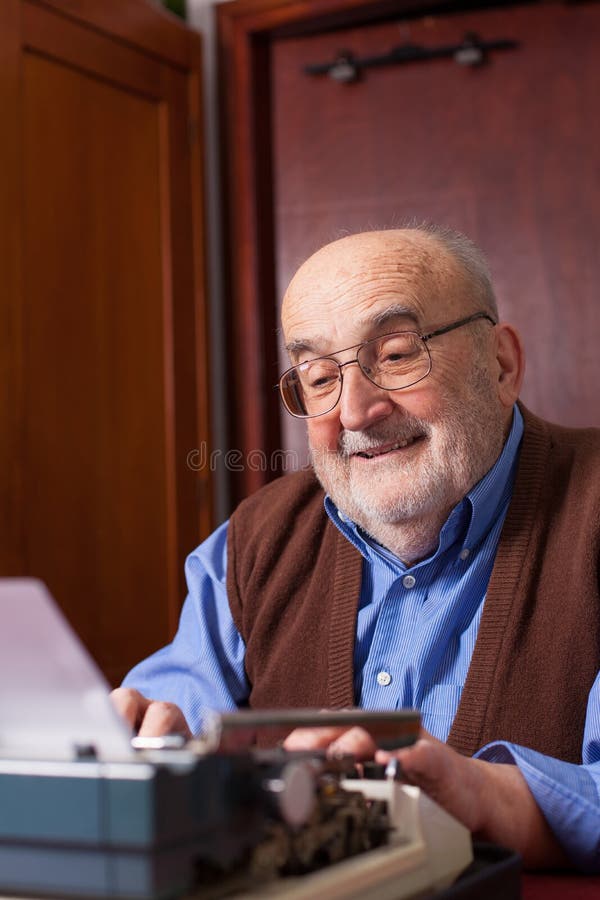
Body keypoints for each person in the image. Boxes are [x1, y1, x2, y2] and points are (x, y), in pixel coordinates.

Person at [112, 225, 600, 871]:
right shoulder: (253, 545)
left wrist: (485, 797)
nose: (354, 411)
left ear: (501, 364)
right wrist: (135, 746)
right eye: (317, 378)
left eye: (396, 355)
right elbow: (167, 720)